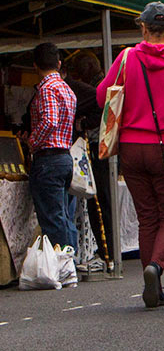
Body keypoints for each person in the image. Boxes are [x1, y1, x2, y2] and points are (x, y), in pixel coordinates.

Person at [96, 2, 164, 308]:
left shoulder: (126, 58)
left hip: (131, 149)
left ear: (144, 28)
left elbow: (102, 96)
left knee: (147, 217)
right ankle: (156, 267)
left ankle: (155, 287)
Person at [24, 42, 78, 250]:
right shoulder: (67, 90)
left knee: (52, 218)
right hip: (65, 156)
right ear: (58, 63)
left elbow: (50, 120)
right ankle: (69, 261)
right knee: (65, 215)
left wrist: (32, 141)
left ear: (35, 65)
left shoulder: (46, 89)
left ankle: (59, 265)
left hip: (48, 159)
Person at [64, 50, 113, 264]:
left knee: (99, 201)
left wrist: (82, 123)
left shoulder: (95, 90)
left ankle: (107, 252)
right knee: (102, 199)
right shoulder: (102, 82)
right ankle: (109, 251)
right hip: (103, 146)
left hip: (96, 146)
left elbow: (99, 110)